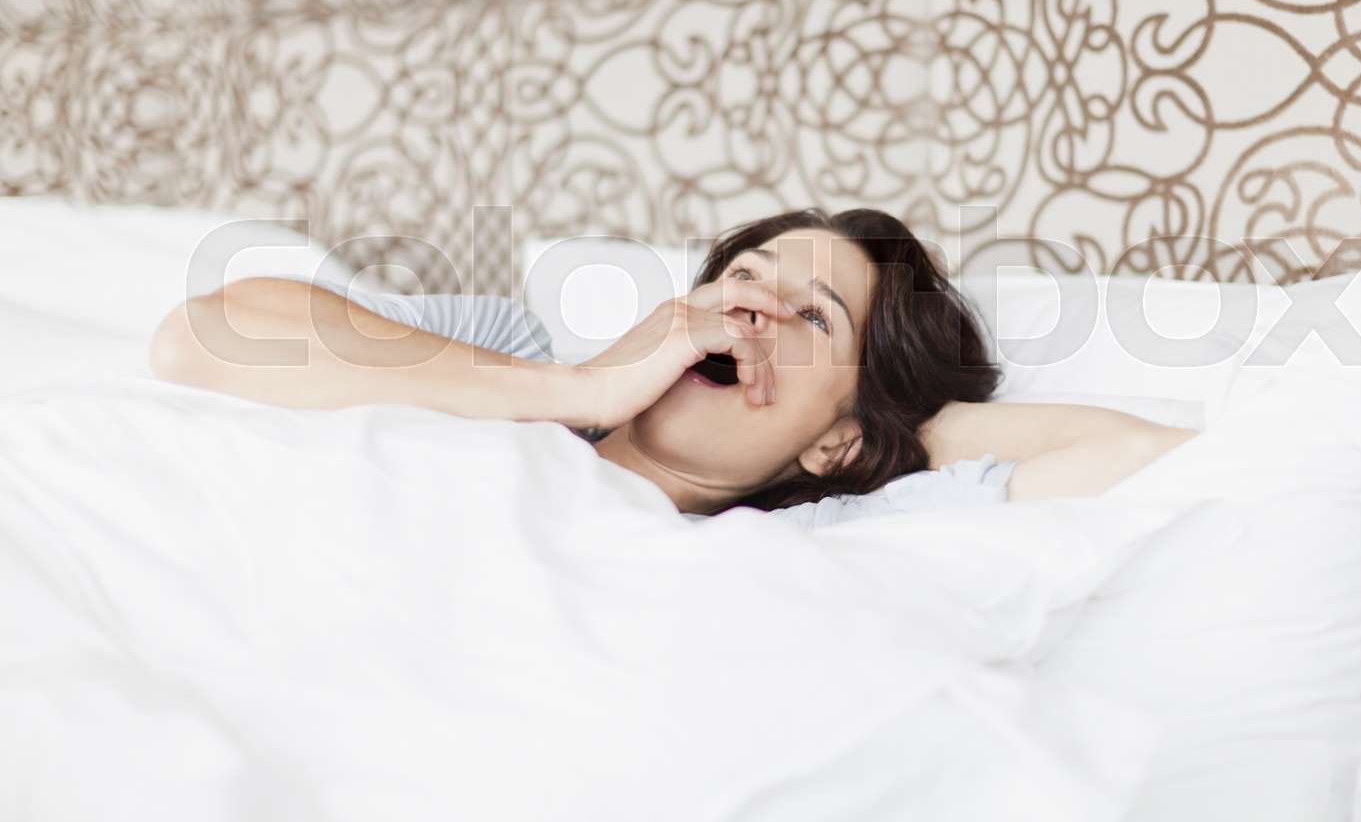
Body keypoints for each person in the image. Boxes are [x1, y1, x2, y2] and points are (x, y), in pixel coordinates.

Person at [148, 208, 1196, 519]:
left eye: (808, 316)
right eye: (742, 275)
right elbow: (200, 339)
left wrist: (875, 436)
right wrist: (575, 394)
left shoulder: (837, 533)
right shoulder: (509, 356)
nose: (751, 305)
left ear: (836, 439)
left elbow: (1143, 453)